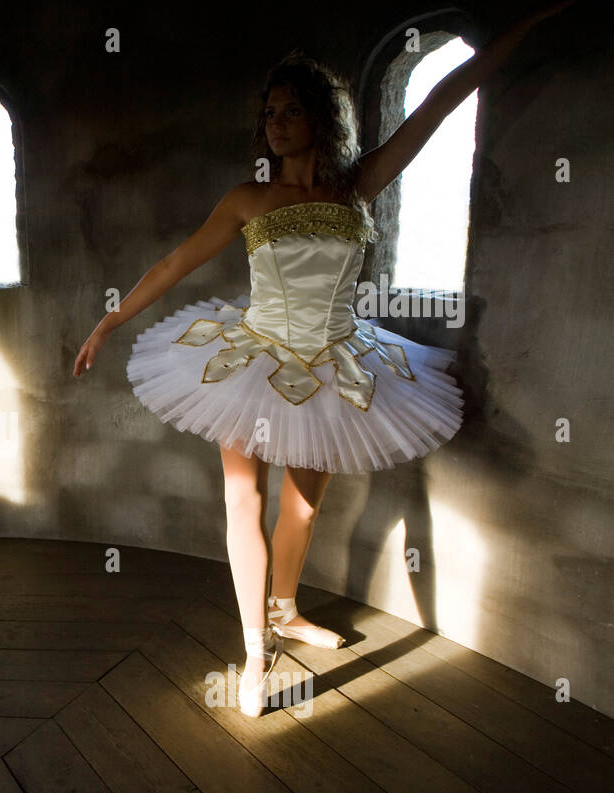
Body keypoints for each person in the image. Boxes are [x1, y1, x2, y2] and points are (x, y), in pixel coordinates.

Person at [72, 0, 577, 717]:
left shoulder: (356, 187)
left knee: (302, 512)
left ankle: (284, 611)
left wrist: (519, 30)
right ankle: (253, 655)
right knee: (243, 498)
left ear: (321, 117)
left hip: (333, 365)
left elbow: (440, 102)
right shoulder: (249, 198)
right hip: (248, 361)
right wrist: (110, 321)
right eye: (269, 113)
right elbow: (177, 259)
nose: (275, 124)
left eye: (289, 111)